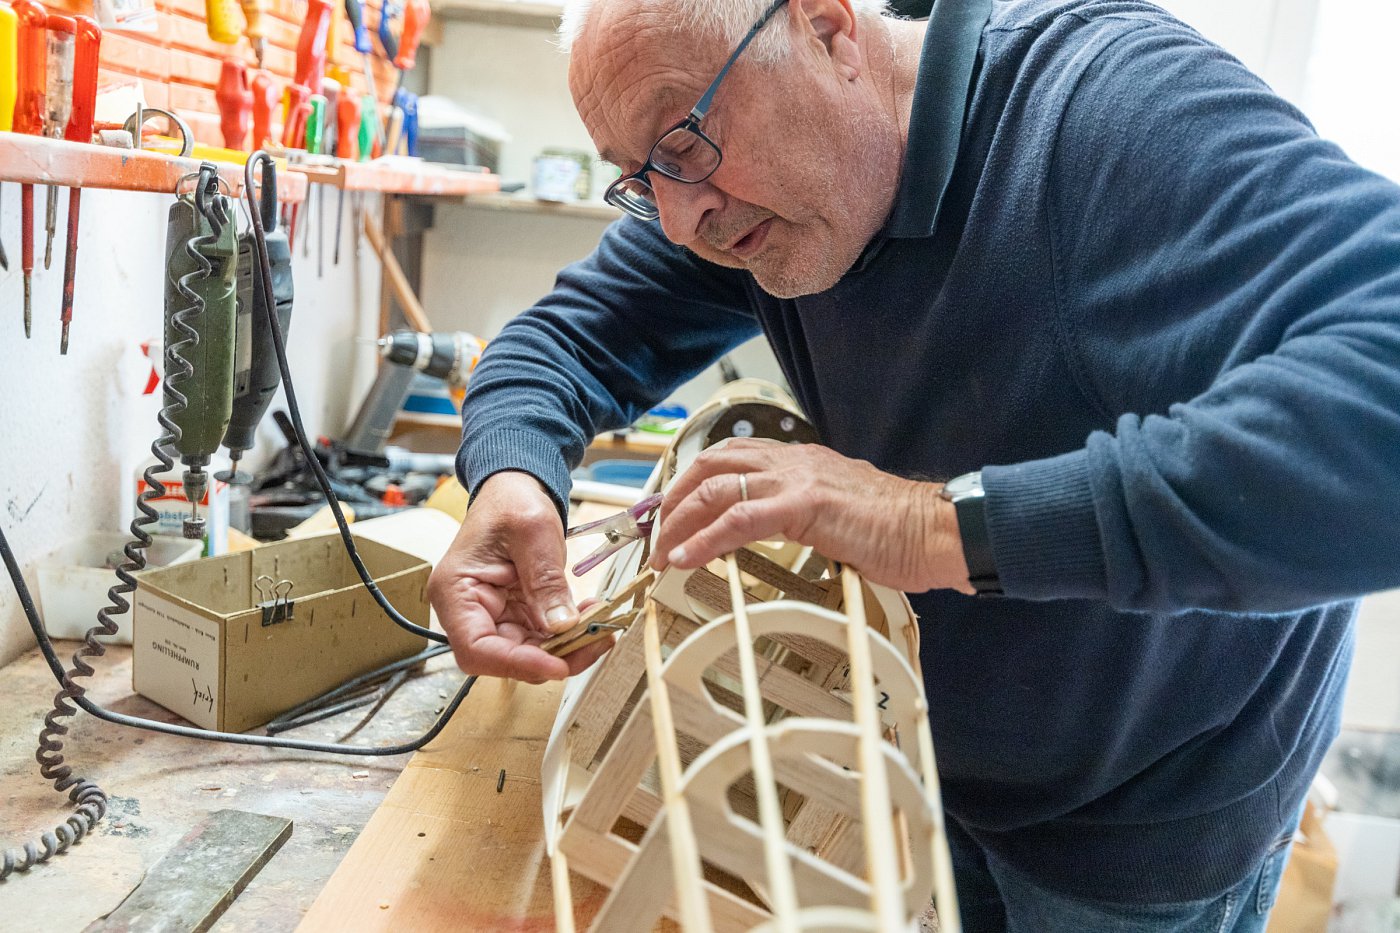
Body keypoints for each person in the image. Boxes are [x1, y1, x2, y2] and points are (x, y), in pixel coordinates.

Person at [427, 0, 1400, 928]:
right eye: (642, 177)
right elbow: (565, 340)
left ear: (826, 28)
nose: (682, 223)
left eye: (683, 146)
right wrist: (512, 479)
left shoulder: (1110, 117)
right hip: (933, 767)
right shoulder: (743, 181)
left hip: (1146, 815)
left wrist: (928, 526)